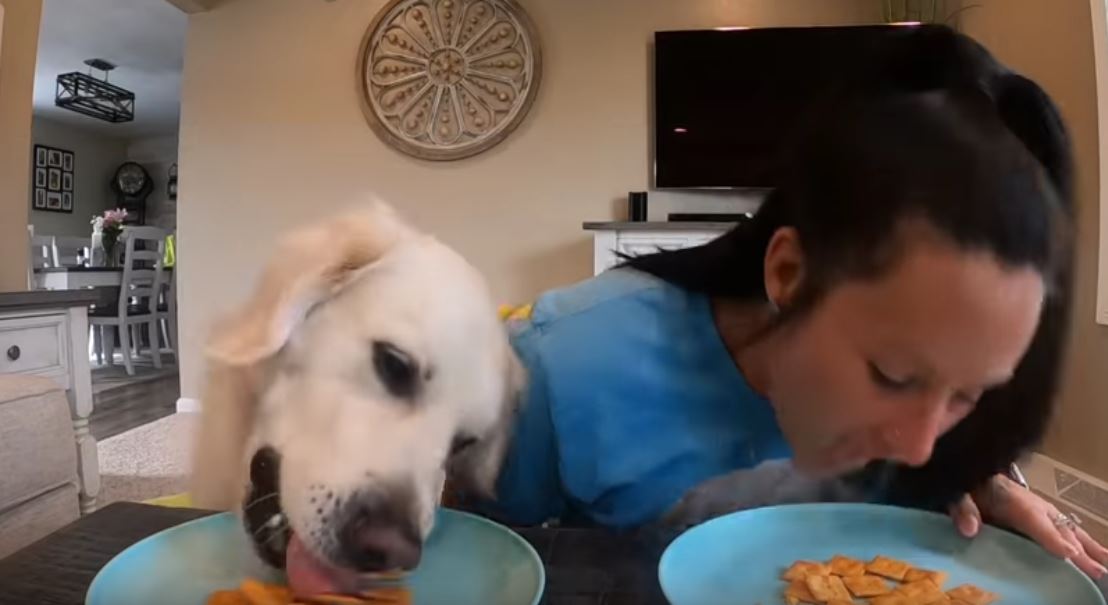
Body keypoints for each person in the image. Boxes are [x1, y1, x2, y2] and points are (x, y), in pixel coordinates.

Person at [479, 26, 1108, 578]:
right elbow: (494, 562)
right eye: (891, 374)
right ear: (788, 272)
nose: (918, 445)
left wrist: (980, 484)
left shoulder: (932, 432)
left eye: (968, 393)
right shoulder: (563, 364)